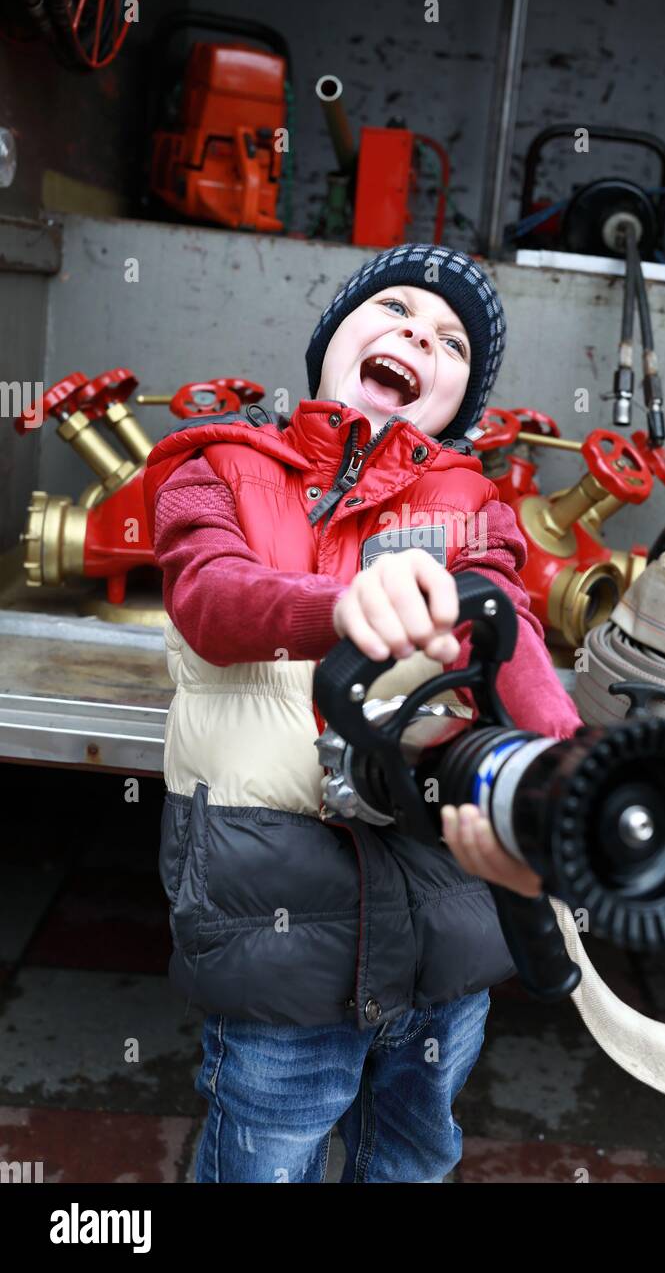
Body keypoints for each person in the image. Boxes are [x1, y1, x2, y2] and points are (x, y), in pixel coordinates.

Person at [143, 242, 582, 1183]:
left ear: (461, 403)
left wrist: (564, 768)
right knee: (269, 1149)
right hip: (278, 921)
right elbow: (210, 601)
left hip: (448, 918)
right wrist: (332, 610)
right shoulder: (213, 461)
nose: (421, 332)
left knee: (417, 1151)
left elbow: (509, 638)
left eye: (453, 342)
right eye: (394, 309)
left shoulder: (474, 505)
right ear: (332, 338)